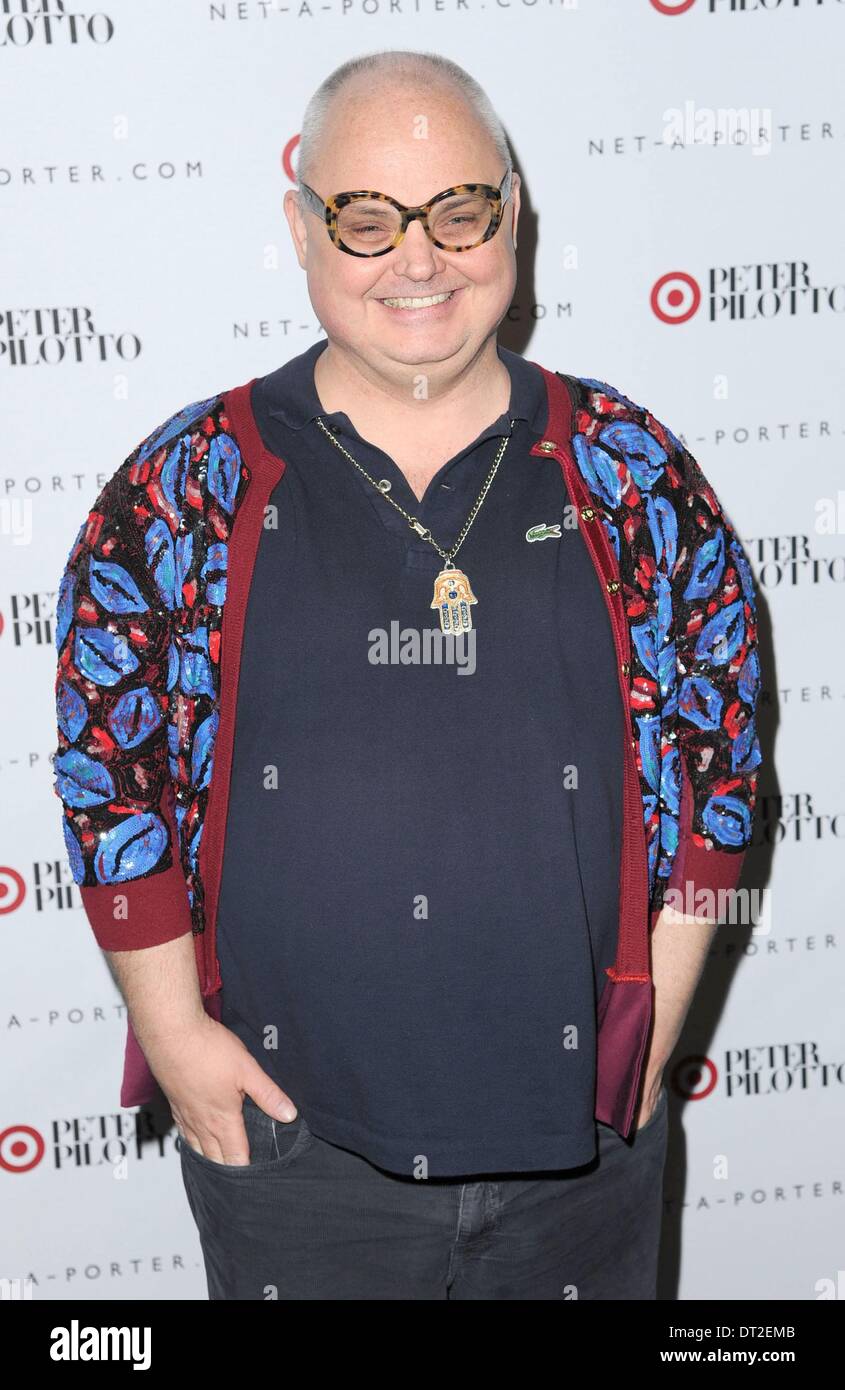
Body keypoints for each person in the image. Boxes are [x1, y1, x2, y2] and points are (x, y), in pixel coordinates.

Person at [52, 49, 762, 1300]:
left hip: (582, 1144)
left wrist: (652, 1028)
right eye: (367, 221)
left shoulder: (631, 470)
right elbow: (110, 776)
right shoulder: (182, 487)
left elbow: (720, 770)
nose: (418, 259)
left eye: (458, 210)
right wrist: (174, 1037)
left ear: (512, 209)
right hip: (293, 1146)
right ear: (302, 229)